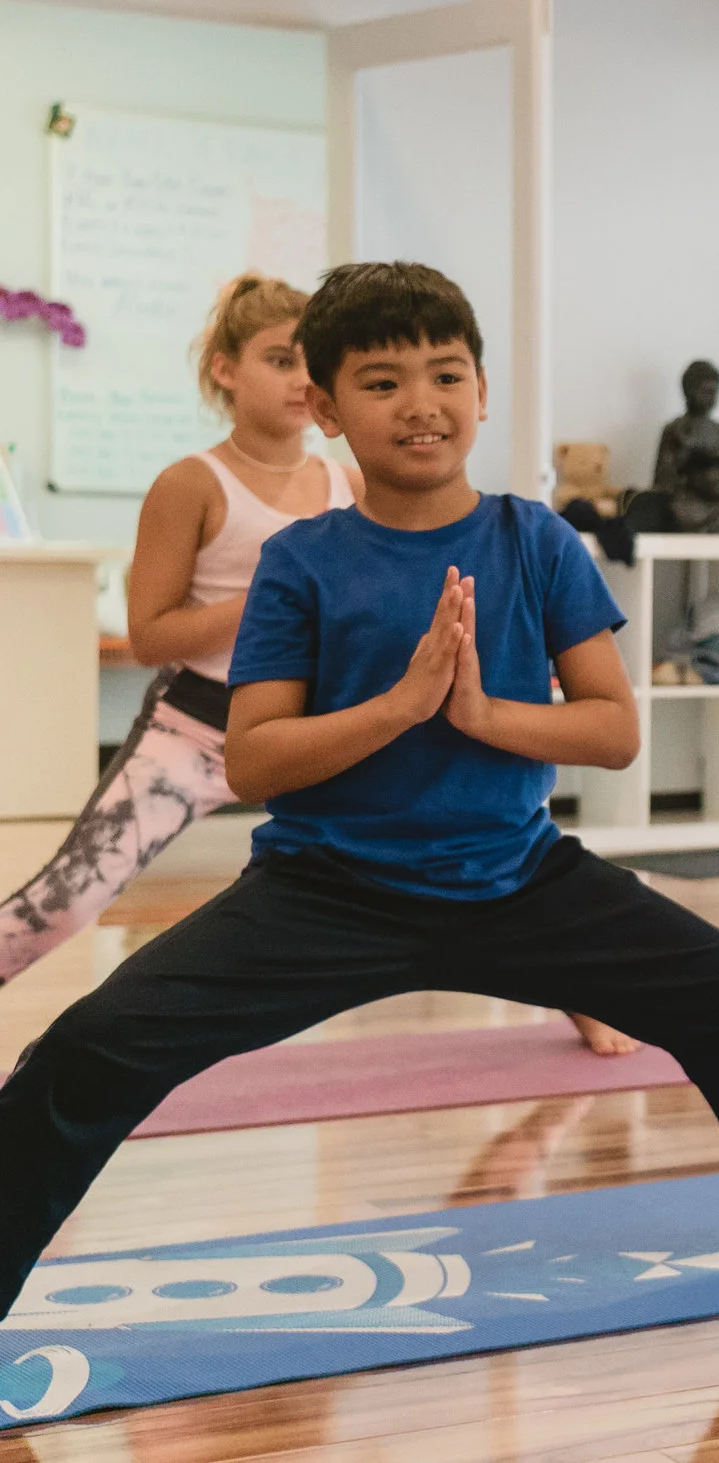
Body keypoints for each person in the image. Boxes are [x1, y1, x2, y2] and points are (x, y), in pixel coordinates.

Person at [0, 262, 719, 1321]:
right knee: (84, 1049)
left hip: (514, 877)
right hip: (325, 892)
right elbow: (253, 759)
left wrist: (481, 715)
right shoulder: (302, 561)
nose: (420, 403)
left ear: (481, 390)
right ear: (328, 407)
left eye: (445, 374)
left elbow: (613, 728)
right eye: (382, 382)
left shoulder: (536, 541)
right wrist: (398, 705)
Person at [0, 276, 632, 1055]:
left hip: (332, 726)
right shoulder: (192, 483)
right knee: (69, 898)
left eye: (311, 361)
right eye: (279, 359)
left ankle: (577, 991)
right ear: (225, 370)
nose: (302, 379)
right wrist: (275, 593)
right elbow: (151, 637)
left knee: (469, 862)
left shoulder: (354, 479)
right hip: (199, 728)